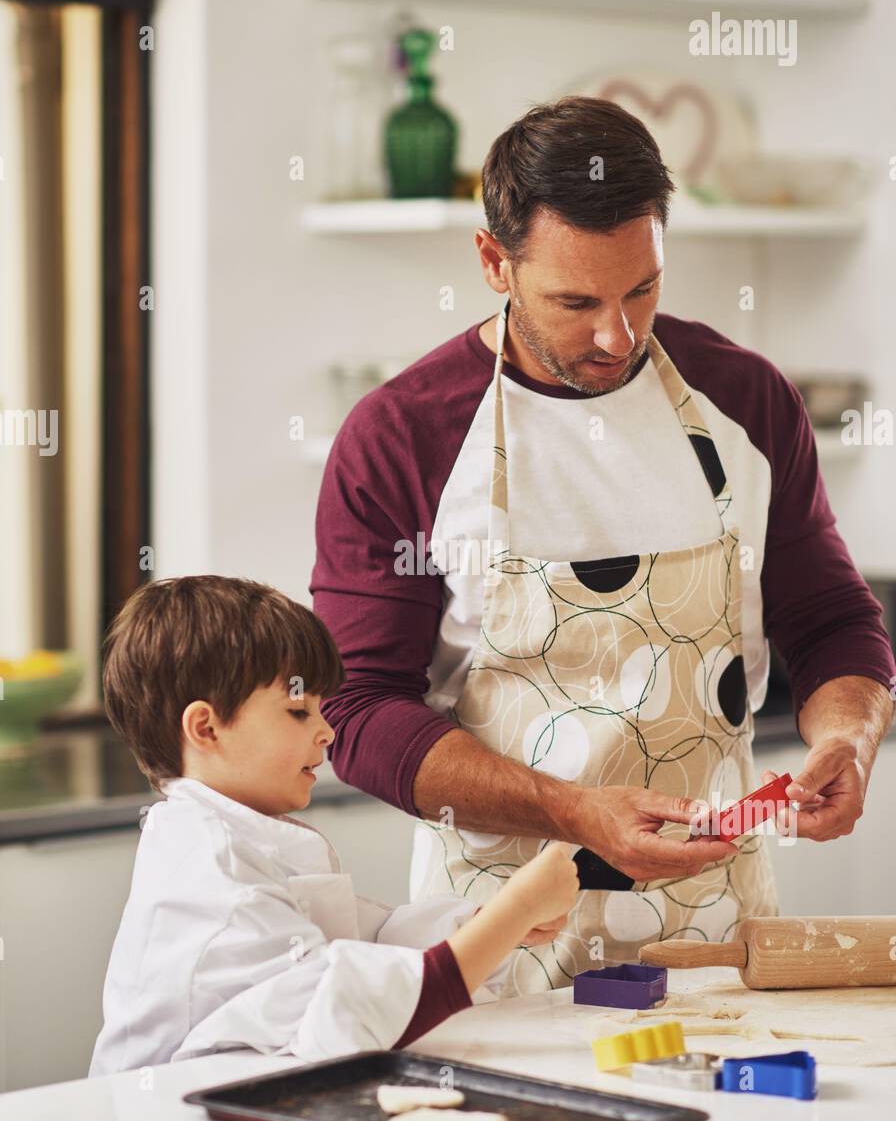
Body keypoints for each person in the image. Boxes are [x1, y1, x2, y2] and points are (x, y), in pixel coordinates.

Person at [311, 96, 895, 994]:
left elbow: (829, 621)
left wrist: (849, 741)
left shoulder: (745, 398)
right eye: (576, 300)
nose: (617, 335)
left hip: (719, 940)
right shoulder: (402, 436)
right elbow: (356, 710)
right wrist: (572, 811)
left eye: (642, 289)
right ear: (493, 262)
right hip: (495, 941)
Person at [89, 575, 579, 1075]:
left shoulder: (249, 838)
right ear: (207, 728)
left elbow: (364, 944)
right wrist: (514, 913)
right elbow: (347, 1012)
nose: (326, 731)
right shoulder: (211, 869)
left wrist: (481, 925)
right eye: (298, 711)